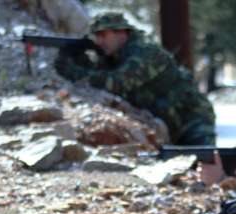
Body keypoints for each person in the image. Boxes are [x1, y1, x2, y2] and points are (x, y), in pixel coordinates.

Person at [54, 12, 215, 145]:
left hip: (191, 120)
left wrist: (72, 71)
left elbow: (116, 83)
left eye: (103, 34)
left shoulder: (145, 52)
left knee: (209, 167)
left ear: (121, 32)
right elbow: (96, 78)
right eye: (96, 36)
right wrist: (77, 59)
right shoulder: (114, 57)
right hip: (165, 125)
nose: (99, 41)